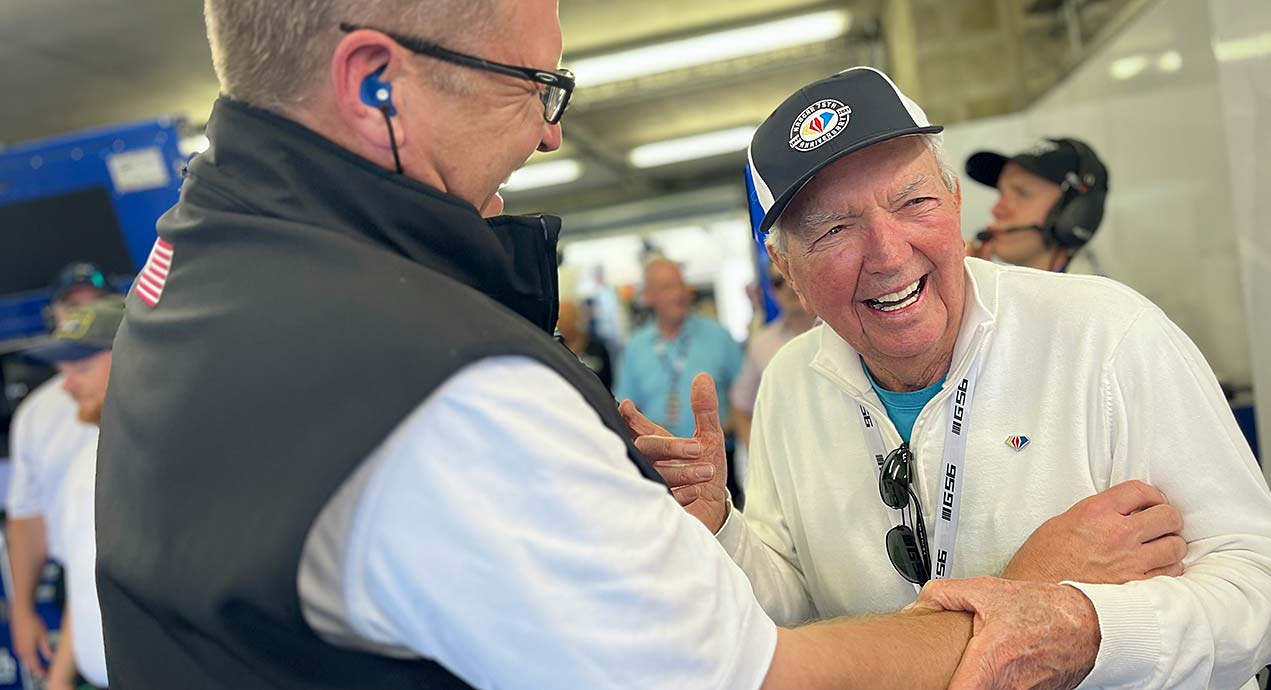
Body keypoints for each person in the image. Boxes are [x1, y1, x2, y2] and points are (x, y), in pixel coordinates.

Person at [96, 4, 1146, 689]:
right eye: (531, 85)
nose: (550, 132)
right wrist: (1029, 602)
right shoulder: (440, 388)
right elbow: (748, 678)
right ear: (377, 82)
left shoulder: (196, 265)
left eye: (911, 201)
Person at [627, 66, 1271, 690]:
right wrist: (720, 526)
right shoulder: (788, 387)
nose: (889, 255)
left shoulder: (1106, 336)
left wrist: (1084, 628)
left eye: (913, 201)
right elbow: (797, 605)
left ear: (952, 200)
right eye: (835, 229)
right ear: (785, 268)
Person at [4, 263, 111, 680]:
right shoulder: (41, 419)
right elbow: (87, 571)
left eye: (81, 368)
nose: (69, 385)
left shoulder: (160, 438)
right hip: (85, 624)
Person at [22, 296, 124, 690]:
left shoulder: (172, 460)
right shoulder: (85, 465)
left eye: (80, 367)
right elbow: (85, 584)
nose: (66, 385)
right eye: (62, 370)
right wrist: (59, 681)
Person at [614, 257, 743, 439]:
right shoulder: (635, 347)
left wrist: (728, 428)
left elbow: (746, 396)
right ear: (649, 296)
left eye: (681, 285)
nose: (678, 294)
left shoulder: (719, 336)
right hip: (660, 458)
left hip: (717, 452)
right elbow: (627, 407)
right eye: (668, 287)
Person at [964, 138, 1108, 273]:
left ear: (1077, 214)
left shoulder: (1096, 299)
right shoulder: (997, 290)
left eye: (1022, 193)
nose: (996, 210)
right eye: (1001, 193)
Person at [729, 267, 815, 448]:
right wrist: (758, 456)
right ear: (772, 292)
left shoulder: (842, 330)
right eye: (779, 282)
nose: (788, 287)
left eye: (792, 275)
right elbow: (741, 406)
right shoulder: (761, 344)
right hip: (793, 460)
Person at [556, 298, 613, 390]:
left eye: (568, 316)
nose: (564, 322)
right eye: (560, 318)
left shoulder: (598, 349)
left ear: (576, 317)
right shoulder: (555, 350)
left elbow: (609, 382)